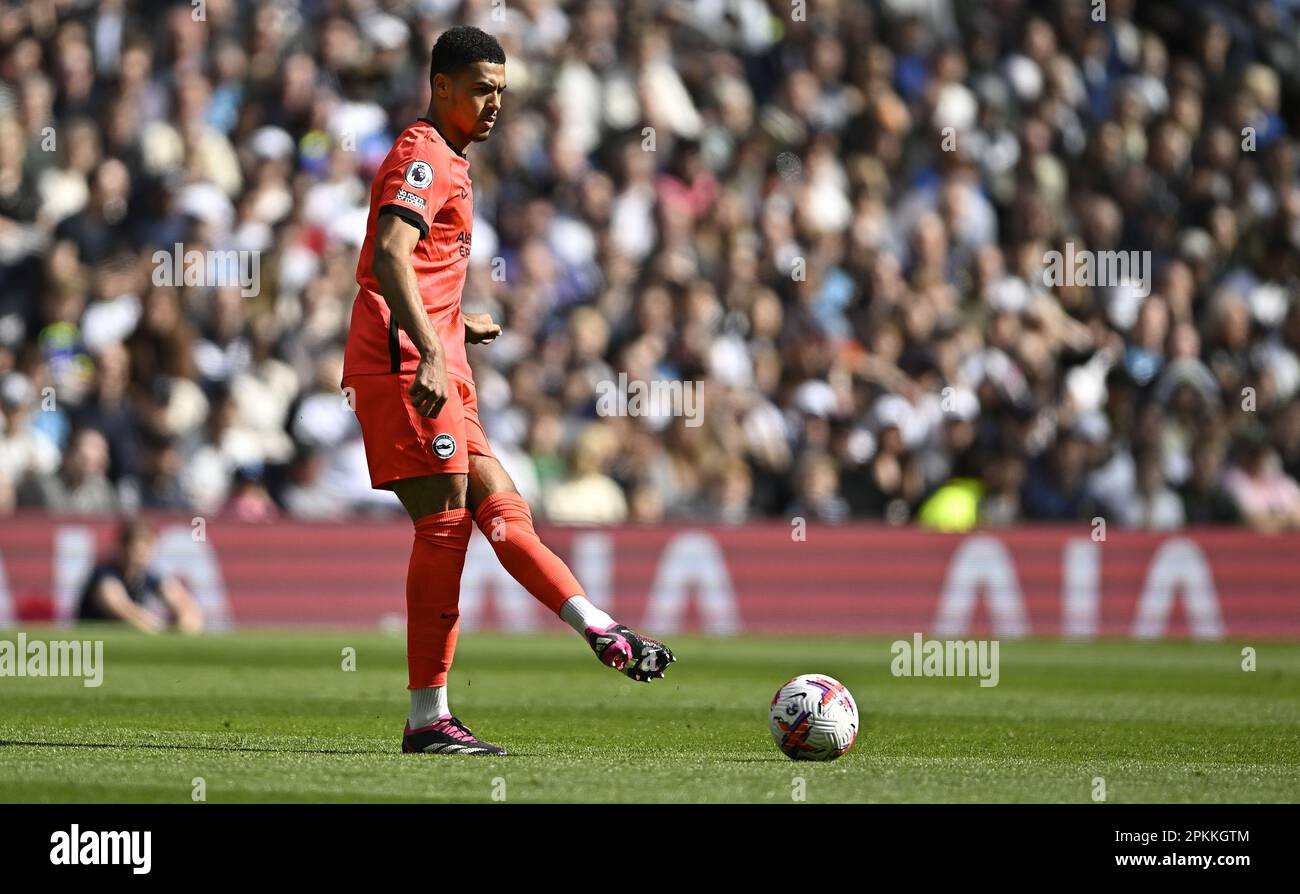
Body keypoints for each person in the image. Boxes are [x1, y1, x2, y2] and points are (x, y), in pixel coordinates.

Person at [340, 26, 675, 757]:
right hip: (406, 364)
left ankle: (598, 624)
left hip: (439, 358)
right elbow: (388, 257)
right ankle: (428, 718)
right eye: (482, 89)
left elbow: (420, 268)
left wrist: (459, 323)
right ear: (442, 87)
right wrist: (432, 347)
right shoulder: (423, 152)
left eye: (502, 90)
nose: (495, 104)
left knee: (504, 508)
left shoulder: (454, 158)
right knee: (447, 522)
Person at [77, 519, 203, 634]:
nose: (142, 555)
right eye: (137, 549)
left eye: (147, 548)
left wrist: (184, 622)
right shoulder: (105, 575)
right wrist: (160, 628)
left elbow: (186, 606)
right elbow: (122, 608)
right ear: (123, 548)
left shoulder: (150, 577)